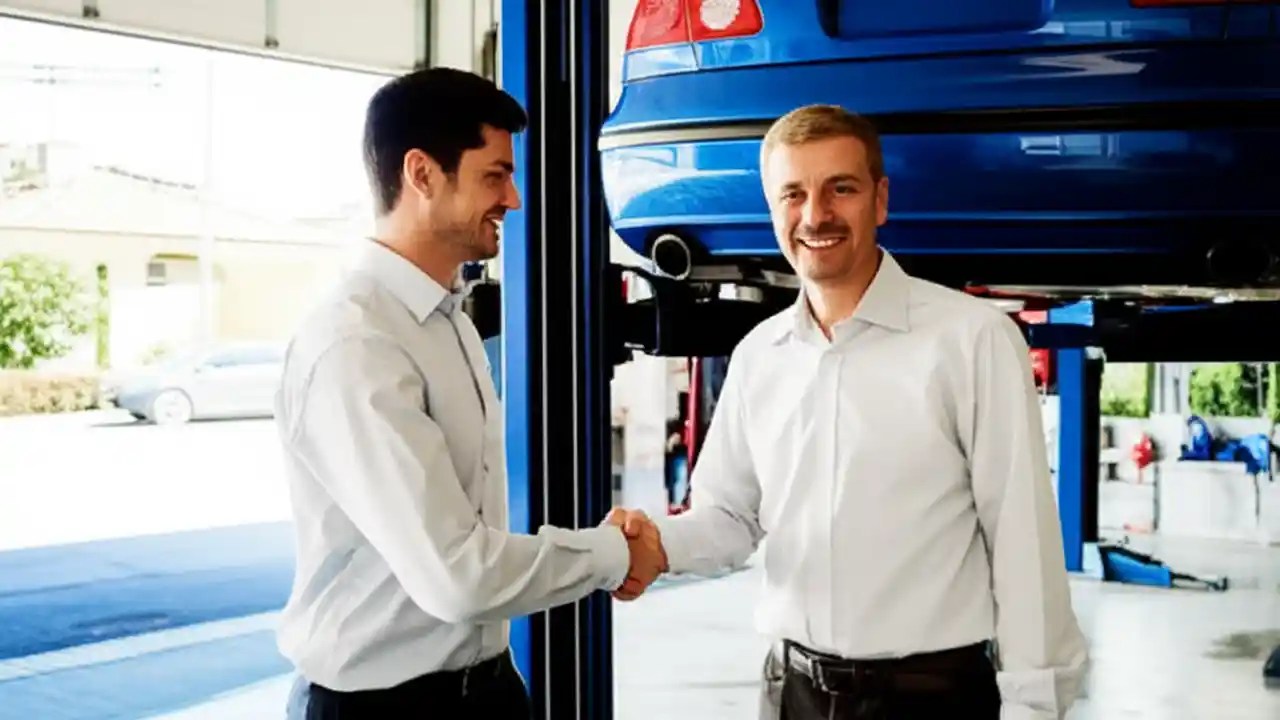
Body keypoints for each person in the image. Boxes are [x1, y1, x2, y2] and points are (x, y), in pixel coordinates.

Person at [608, 104, 1089, 719]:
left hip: (932, 699)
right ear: (773, 209)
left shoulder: (971, 341)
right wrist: (653, 544)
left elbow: (1023, 543)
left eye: (842, 188)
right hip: (793, 692)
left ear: (880, 200)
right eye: (793, 194)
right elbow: (730, 517)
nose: (816, 215)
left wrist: (1034, 706)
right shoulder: (760, 356)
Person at [273, 67, 666, 720]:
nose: (513, 199)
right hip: (381, 709)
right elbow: (458, 574)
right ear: (422, 174)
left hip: (483, 689)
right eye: (495, 175)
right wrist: (612, 553)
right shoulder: (357, 342)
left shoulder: (446, 320)